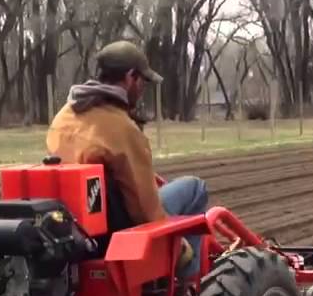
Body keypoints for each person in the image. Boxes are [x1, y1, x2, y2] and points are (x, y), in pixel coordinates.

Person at [46, 40, 207, 279]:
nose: (142, 90)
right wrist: (181, 247)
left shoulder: (64, 116)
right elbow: (145, 210)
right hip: (120, 231)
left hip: (77, 228)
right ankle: (187, 280)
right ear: (131, 77)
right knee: (195, 188)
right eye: (142, 82)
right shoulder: (123, 129)